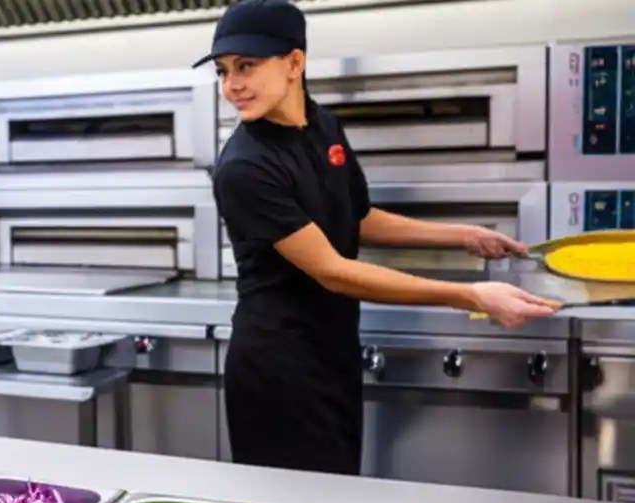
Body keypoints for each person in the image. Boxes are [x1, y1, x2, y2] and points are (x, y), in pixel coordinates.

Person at [193, 0, 558, 476]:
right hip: (279, 368)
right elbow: (333, 270)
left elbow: (356, 218)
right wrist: (469, 294)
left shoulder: (322, 128)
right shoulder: (244, 166)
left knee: (339, 491)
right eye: (223, 71)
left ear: (295, 63)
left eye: (246, 66)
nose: (231, 86)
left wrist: (463, 236)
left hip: (333, 352)